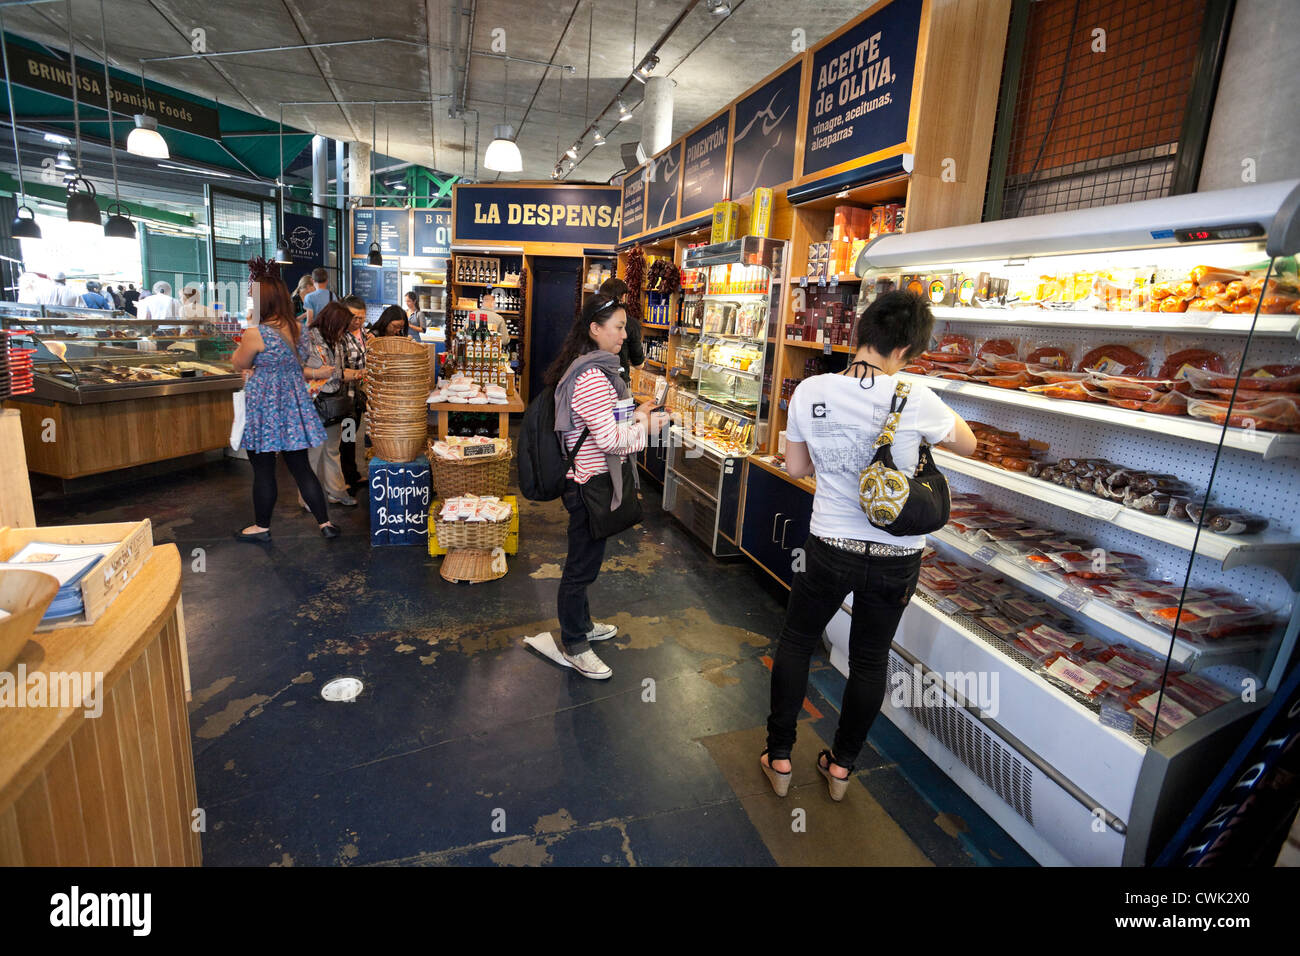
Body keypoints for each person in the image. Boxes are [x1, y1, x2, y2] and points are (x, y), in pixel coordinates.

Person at [760, 290, 977, 801]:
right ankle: (841, 768)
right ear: (906, 349)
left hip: (828, 544)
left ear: (862, 333)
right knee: (870, 662)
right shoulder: (915, 397)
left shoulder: (812, 389)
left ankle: (780, 756)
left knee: (796, 643)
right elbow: (967, 443)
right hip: (897, 557)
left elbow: (795, 468)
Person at [547, 294, 671, 679]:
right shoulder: (592, 378)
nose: (624, 334)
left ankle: (582, 627)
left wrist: (635, 414)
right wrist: (646, 429)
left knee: (586, 562)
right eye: (617, 327)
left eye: (624, 327)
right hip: (588, 487)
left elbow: (605, 425)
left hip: (589, 483)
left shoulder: (594, 371)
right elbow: (612, 441)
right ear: (595, 330)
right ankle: (575, 645)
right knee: (580, 569)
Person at [229, 258, 340, 541]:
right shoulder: (296, 329)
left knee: (264, 469)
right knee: (300, 466)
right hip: (292, 401)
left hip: (264, 403)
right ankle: (325, 523)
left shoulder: (255, 334)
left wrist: (252, 368)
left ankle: (261, 527)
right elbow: (298, 365)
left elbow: (238, 362)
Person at [303, 301, 364, 507]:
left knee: (332, 448)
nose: (343, 331)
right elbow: (296, 368)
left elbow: (338, 370)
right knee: (314, 451)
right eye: (341, 326)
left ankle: (336, 491)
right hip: (313, 400)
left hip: (335, 401)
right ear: (331, 322)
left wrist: (356, 374)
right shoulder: (309, 337)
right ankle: (307, 498)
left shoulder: (336, 340)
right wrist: (317, 373)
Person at [599, 277, 643, 385]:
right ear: (623, 297)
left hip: (591, 380)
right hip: (619, 382)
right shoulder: (631, 324)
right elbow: (638, 364)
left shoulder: (590, 319)